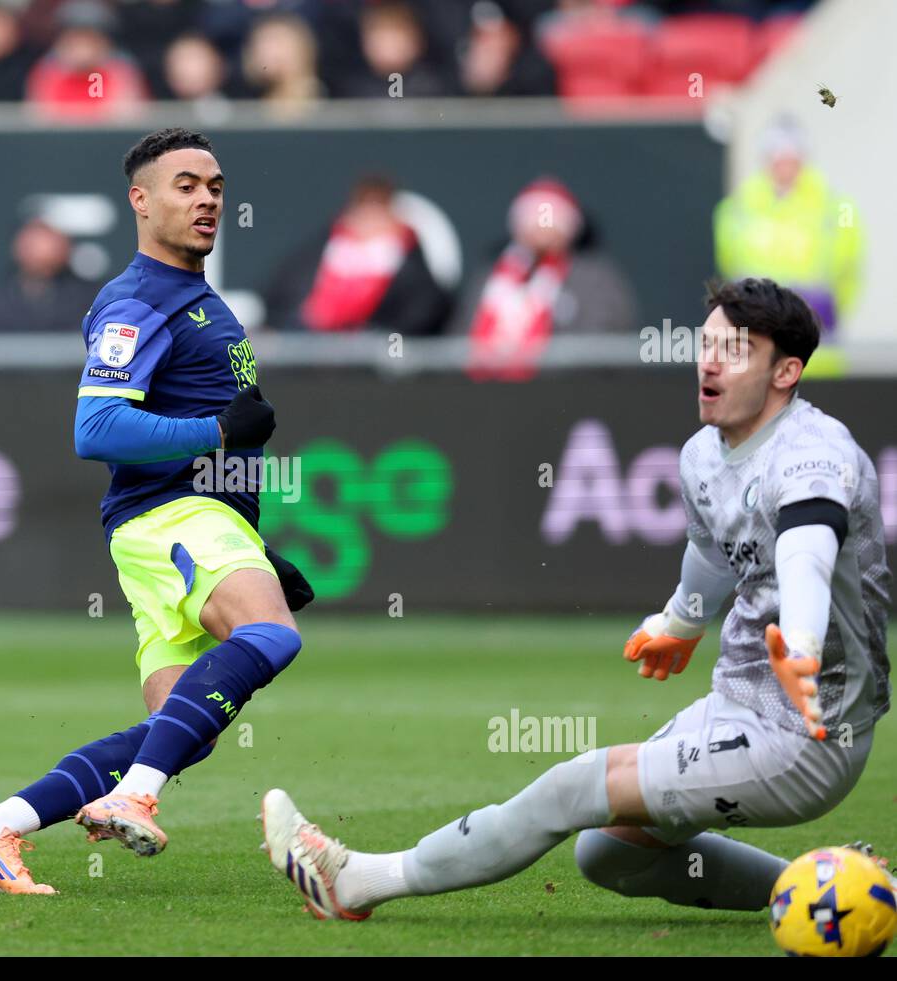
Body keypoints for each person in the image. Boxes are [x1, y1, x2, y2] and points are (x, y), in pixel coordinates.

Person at [263, 277, 891, 924]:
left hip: (809, 731)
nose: (708, 360)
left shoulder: (812, 455)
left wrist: (804, 645)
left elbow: (807, 552)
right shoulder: (704, 453)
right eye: (706, 344)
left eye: (736, 349)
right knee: (607, 854)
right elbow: (711, 551)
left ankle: (358, 880)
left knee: (574, 785)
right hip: (738, 705)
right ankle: (834, 887)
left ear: (786, 370)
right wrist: (681, 619)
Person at [0, 128, 313, 894]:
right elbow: (97, 428)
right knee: (270, 634)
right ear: (140, 201)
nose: (206, 197)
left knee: (178, 730)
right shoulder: (138, 299)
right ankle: (133, 796)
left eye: (214, 185)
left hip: (190, 522)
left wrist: (253, 541)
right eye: (185, 184)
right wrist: (216, 434)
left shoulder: (202, 303)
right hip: (171, 515)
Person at [464, 176, 637, 380]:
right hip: (486, 393)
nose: (541, 230)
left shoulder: (593, 277)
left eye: (552, 221)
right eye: (530, 219)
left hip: (565, 393)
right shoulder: (491, 277)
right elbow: (462, 338)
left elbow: (601, 341)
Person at [714, 118, 863, 344]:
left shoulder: (836, 209)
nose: (784, 165)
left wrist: (827, 311)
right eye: (777, 157)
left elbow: (850, 272)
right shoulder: (735, 209)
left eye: (791, 157)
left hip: (815, 336)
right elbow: (729, 267)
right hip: (757, 335)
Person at [265, 175, 455, 335]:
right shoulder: (324, 250)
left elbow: (426, 309)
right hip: (311, 349)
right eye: (365, 209)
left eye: (378, 210)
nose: (370, 221)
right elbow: (278, 295)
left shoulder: (408, 260)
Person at [0, 213, 99, 331]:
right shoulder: (3, 297)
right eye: (30, 245)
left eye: (50, 243)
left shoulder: (83, 296)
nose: (40, 252)